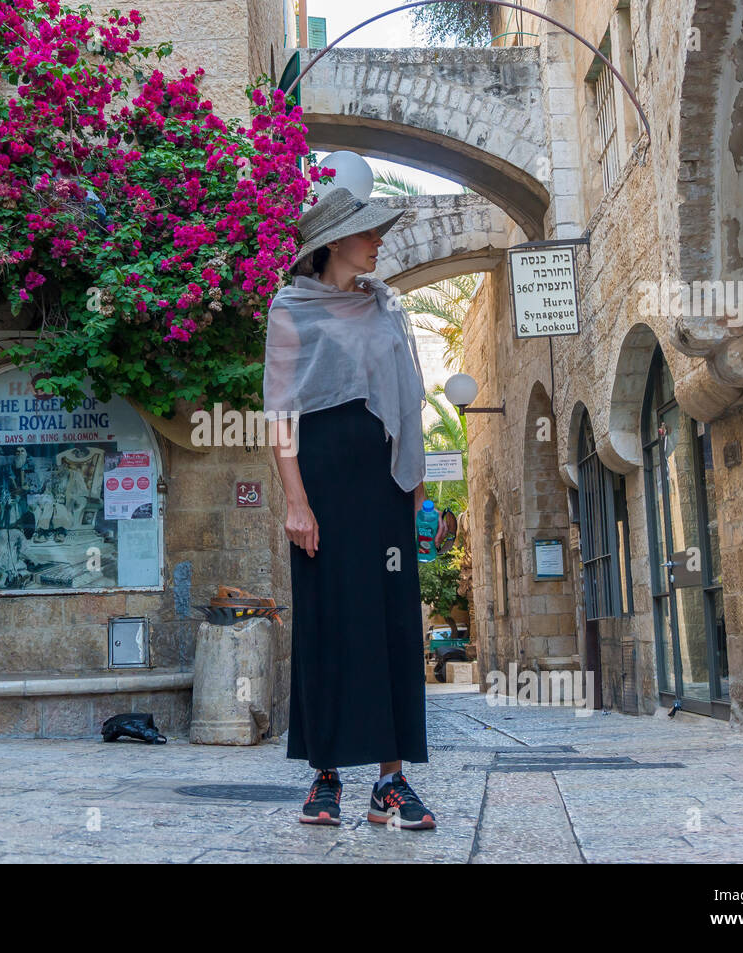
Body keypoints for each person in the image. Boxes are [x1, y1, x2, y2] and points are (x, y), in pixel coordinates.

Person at [264, 187, 437, 830]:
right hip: (324, 483)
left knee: (392, 621)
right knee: (327, 617)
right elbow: (281, 413)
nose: (380, 240)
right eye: (369, 232)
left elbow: (408, 407)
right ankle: (325, 775)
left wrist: (418, 499)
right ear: (332, 243)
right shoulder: (291, 310)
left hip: (385, 487)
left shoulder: (387, 310)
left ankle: (391, 783)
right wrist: (296, 502)